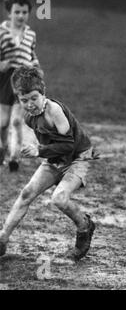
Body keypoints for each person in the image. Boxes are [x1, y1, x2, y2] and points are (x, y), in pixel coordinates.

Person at [0, 66, 97, 260]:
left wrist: (39, 150)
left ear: (43, 93)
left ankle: (84, 224)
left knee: (59, 198)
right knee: (26, 193)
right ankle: (2, 239)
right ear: (18, 99)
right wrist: (40, 150)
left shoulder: (55, 111)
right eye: (24, 100)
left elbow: (68, 146)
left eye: (34, 98)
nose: (30, 104)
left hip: (78, 158)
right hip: (55, 160)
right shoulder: (28, 116)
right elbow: (48, 141)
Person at [0, 0, 40, 171]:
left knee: (17, 121)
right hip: (4, 80)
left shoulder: (31, 34)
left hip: (22, 81)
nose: (21, 16)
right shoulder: (1, 32)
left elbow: (32, 55)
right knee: (3, 123)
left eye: (24, 12)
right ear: (9, 13)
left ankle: (14, 158)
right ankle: (4, 148)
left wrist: (37, 67)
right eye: (17, 12)